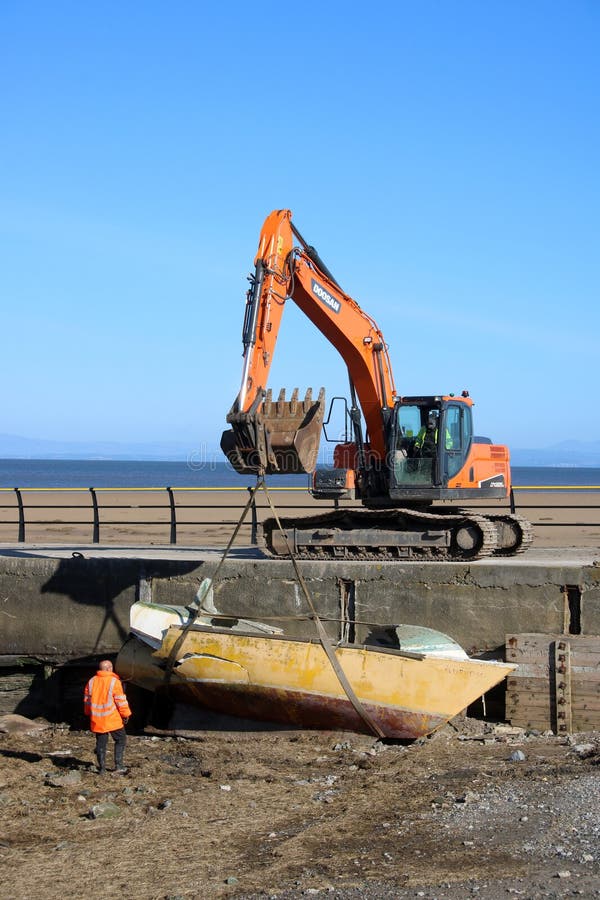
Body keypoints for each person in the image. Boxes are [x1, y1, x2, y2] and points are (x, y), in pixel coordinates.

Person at [84, 659, 132, 775]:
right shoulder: (114, 682)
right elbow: (121, 701)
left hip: (98, 719)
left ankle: (102, 769)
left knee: (101, 743)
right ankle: (119, 766)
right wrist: (126, 714)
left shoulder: (91, 681)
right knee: (120, 740)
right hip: (112, 718)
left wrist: (88, 713)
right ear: (109, 668)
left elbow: (87, 701)